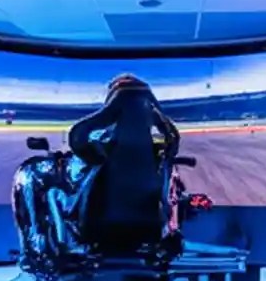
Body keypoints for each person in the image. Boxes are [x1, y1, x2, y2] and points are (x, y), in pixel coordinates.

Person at [66, 74, 180, 250]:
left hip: (106, 227)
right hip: (148, 225)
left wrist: (94, 156)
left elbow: (78, 136)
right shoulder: (150, 110)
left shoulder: (117, 103)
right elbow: (172, 137)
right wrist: (165, 155)